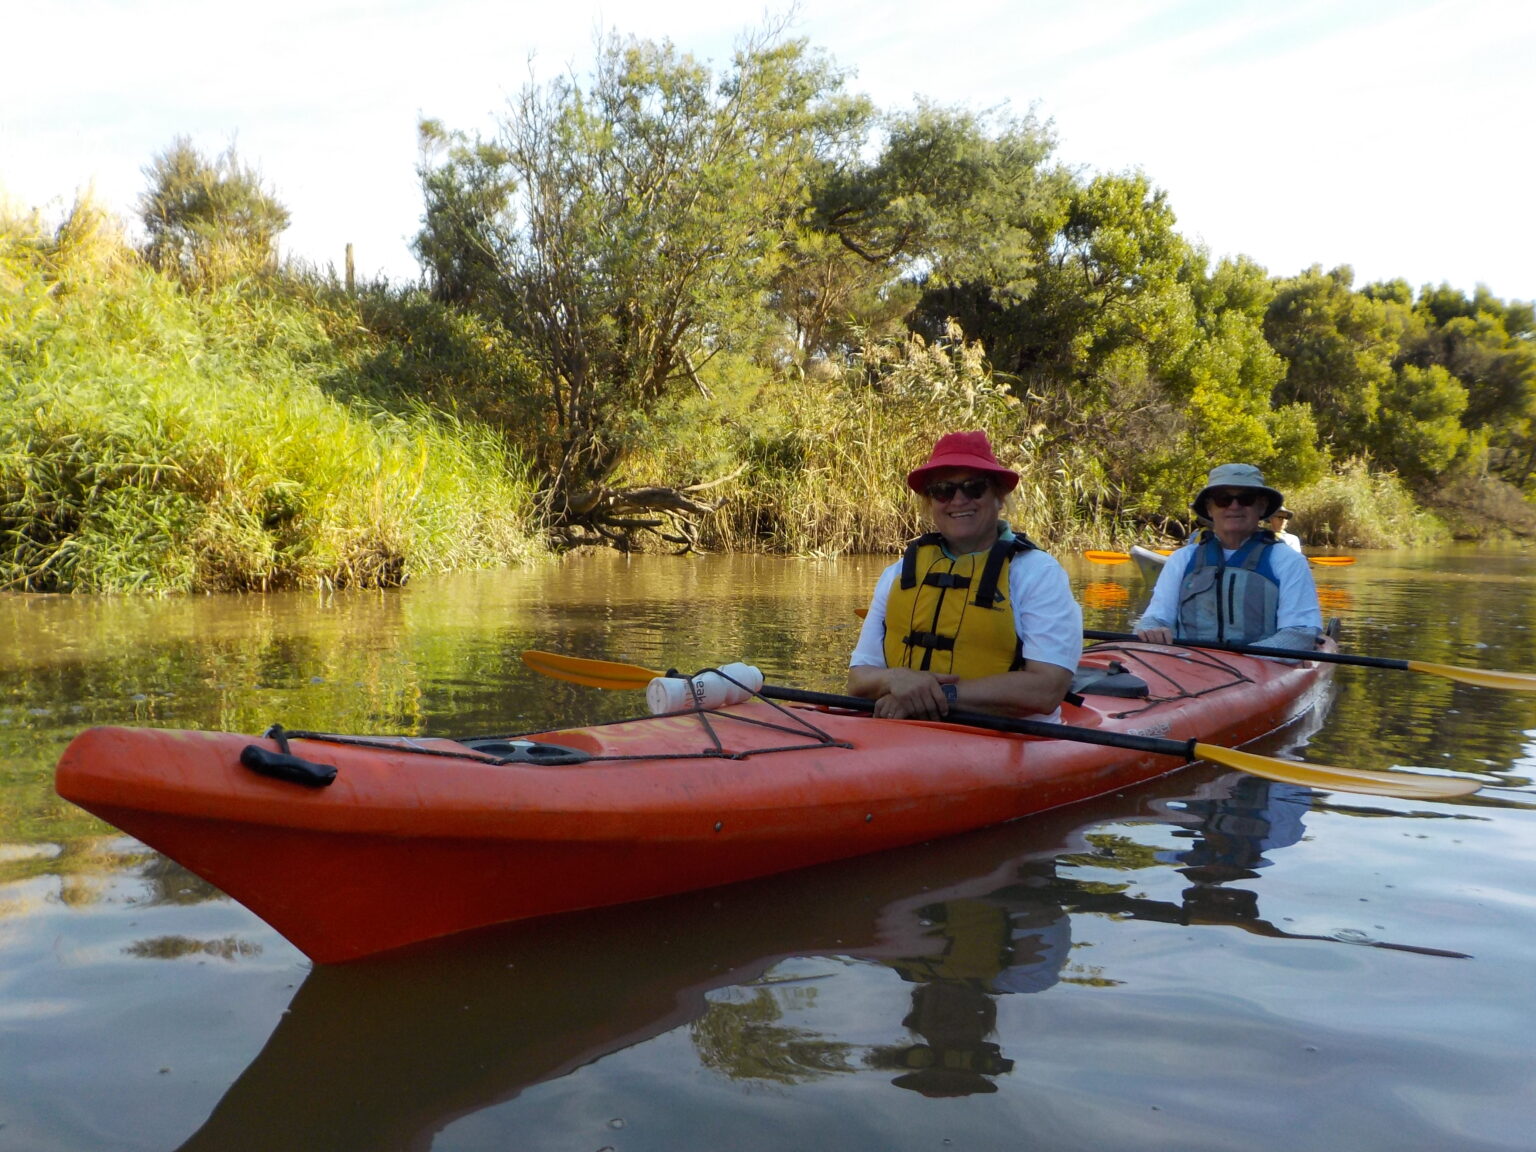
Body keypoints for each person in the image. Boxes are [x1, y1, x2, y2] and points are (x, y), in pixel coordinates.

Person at [848, 431, 1082, 721]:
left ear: (998, 497)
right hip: (906, 735)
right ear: (931, 502)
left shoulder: (1038, 573)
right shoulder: (897, 573)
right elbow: (858, 680)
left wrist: (934, 696)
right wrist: (894, 679)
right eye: (943, 490)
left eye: (974, 488)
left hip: (1012, 739)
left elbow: (1046, 690)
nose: (958, 500)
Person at [1134, 464, 1322, 650]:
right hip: (1189, 665)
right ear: (1209, 508)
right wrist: (1149, 628)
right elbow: (1156, 618)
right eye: (1223, 499)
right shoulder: (1182, 559)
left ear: (1262, 507)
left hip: (1262, 669)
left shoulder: (1288, 561)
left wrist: (1243, 661)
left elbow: (1299, 633)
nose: (1234, 506)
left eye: (1246, 499)